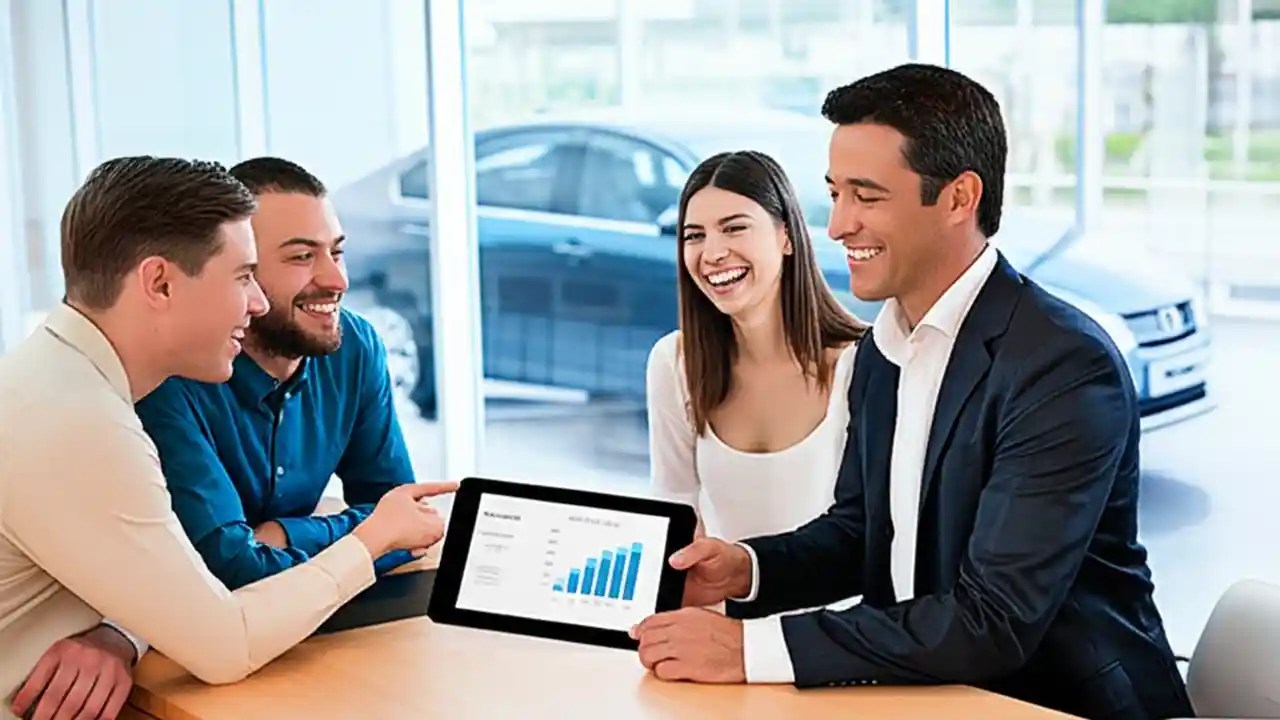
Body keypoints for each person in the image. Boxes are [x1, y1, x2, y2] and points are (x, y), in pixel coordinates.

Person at [631, 64, 1194, 719]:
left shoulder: (1062, 365)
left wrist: (747, 650)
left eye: (866, 196)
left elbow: (994, 620)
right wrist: (747, 569)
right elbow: (862, 531)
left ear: (958, 198)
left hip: (1055, 704)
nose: (838, 225)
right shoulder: (886, 345)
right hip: (929, 696)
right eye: (835, 193)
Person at [0, 156, 451, 720]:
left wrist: (127, 632)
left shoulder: (53, 380)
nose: (258, 302)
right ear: (159, 283)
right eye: (242, 276)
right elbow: (225, 645)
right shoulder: (83, 423)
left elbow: (168, 573)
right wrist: (368, 543)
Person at [134, 156, 420, 591]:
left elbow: (406, 516)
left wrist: (288, 534)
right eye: (303, 256)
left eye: (336, 252)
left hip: (307, 621)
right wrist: (367, 536)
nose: (337, 279)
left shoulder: (355, 346)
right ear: (241, 270)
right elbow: (228, 568)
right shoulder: (174, 372)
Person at [646, 150, 864, 544]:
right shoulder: (674, 362)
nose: (711, 254)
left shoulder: (859, 364)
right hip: (719, 604)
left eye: (734, 228)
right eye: (694, 235)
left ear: (786, 237)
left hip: (836, 608)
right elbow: (676, 512)